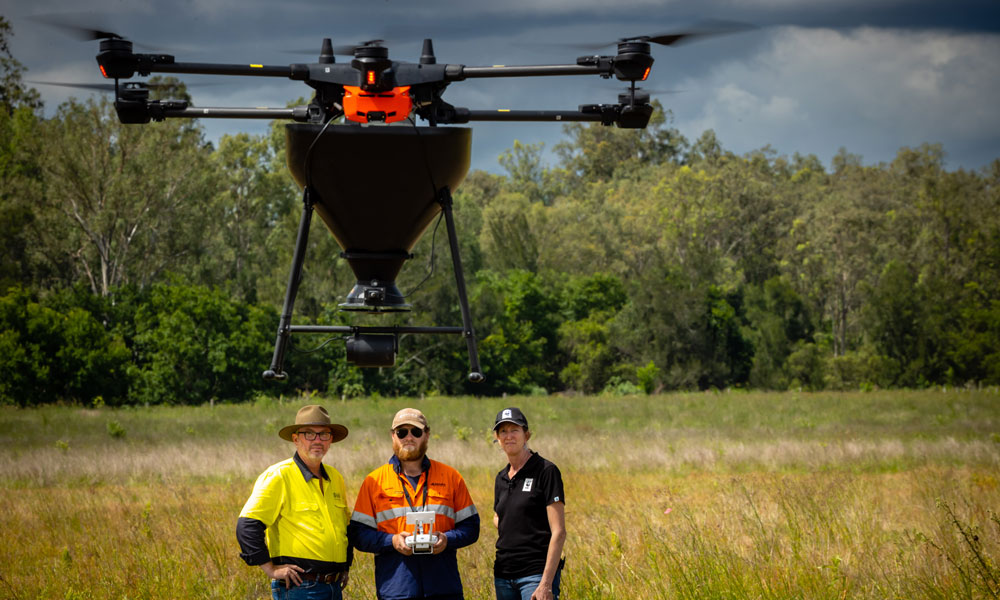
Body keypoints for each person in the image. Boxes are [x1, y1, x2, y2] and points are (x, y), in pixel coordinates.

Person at [349, 407, 480, 600]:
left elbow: (471, 528)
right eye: (402, 432)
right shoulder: (374, 482)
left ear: (427, 435)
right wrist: (391, 541)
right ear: (393, 436)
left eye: (416, 432)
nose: (409, 437)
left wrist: (447, 539)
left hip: (443, 589)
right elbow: (359, 535)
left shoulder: (451, 477)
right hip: (396, 590)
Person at [237, 405, 353, 600]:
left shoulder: (335, 478)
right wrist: (271, 570)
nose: (317, 441)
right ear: (296, 439)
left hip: (334, 586)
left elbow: (344, 528)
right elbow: (247, 525)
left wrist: (345, 566)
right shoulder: (279, 476)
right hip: (301, 587)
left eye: (323, 434)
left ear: (331, 439)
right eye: (309, 434)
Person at [492, 407, 566, 600]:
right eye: (503, 431)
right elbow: (499, 517)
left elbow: (559, 531)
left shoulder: (546, 471)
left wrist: (546, 584)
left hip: (535, 576)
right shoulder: (501, 478)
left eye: (514, 430)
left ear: (526, 435)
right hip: (503, 575)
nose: (509, 436)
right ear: (497, 438)